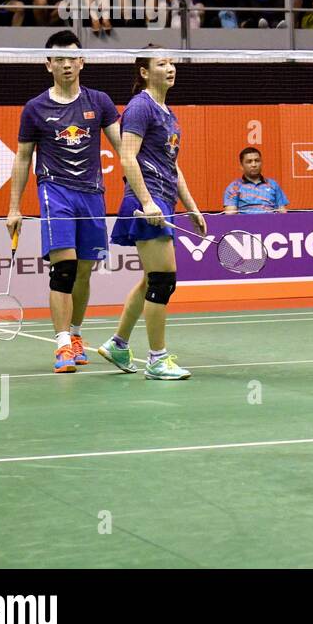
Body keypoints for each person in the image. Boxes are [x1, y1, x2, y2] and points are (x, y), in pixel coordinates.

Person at [6, 31, 122, 374]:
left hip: (92, 194)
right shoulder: (35, 108)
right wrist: (14, 207)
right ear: (48, 65)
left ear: (82, 61)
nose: (67, 64)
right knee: (64, 269)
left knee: (85, 271)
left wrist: (143, 191)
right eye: (59, 59)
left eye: (73, 57)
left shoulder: (99, 102)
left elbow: (123, 150)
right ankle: (61, 346)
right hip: (54, 191)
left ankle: (75, 334)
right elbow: (22, 158)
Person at [97, 53, 206, 380]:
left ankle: (118, 344)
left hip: (162, 199)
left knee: (150, 279)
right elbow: (127, 156)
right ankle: (157, 360)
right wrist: (147, 201)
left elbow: (172, 166)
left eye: (172, 62)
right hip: (147, 201)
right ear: (144, 72)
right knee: (163, 280)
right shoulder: (140, 107)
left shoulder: (169, 114)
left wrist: (191, 205)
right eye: (161, 64)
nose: (170, 67)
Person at [224, 147, 289, 214]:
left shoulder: (273, 184)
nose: (254, 165)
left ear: (261, 163)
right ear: (241, 166)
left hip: (270, 222)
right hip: (245, 223)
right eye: (249, 161)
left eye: (257, 161)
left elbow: (282, 211)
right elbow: (230, 215)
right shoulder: (234, 187)